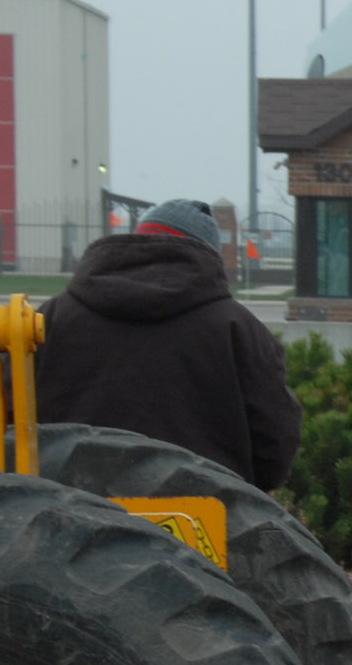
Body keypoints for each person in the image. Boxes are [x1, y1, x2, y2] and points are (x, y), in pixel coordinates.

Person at [35, 199, 303, 491]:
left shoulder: (48, 320)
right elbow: (274, 443)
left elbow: (4, 421)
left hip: (62, 514)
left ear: (135, 240)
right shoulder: (239, 330)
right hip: (205, 520)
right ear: (207, 253)